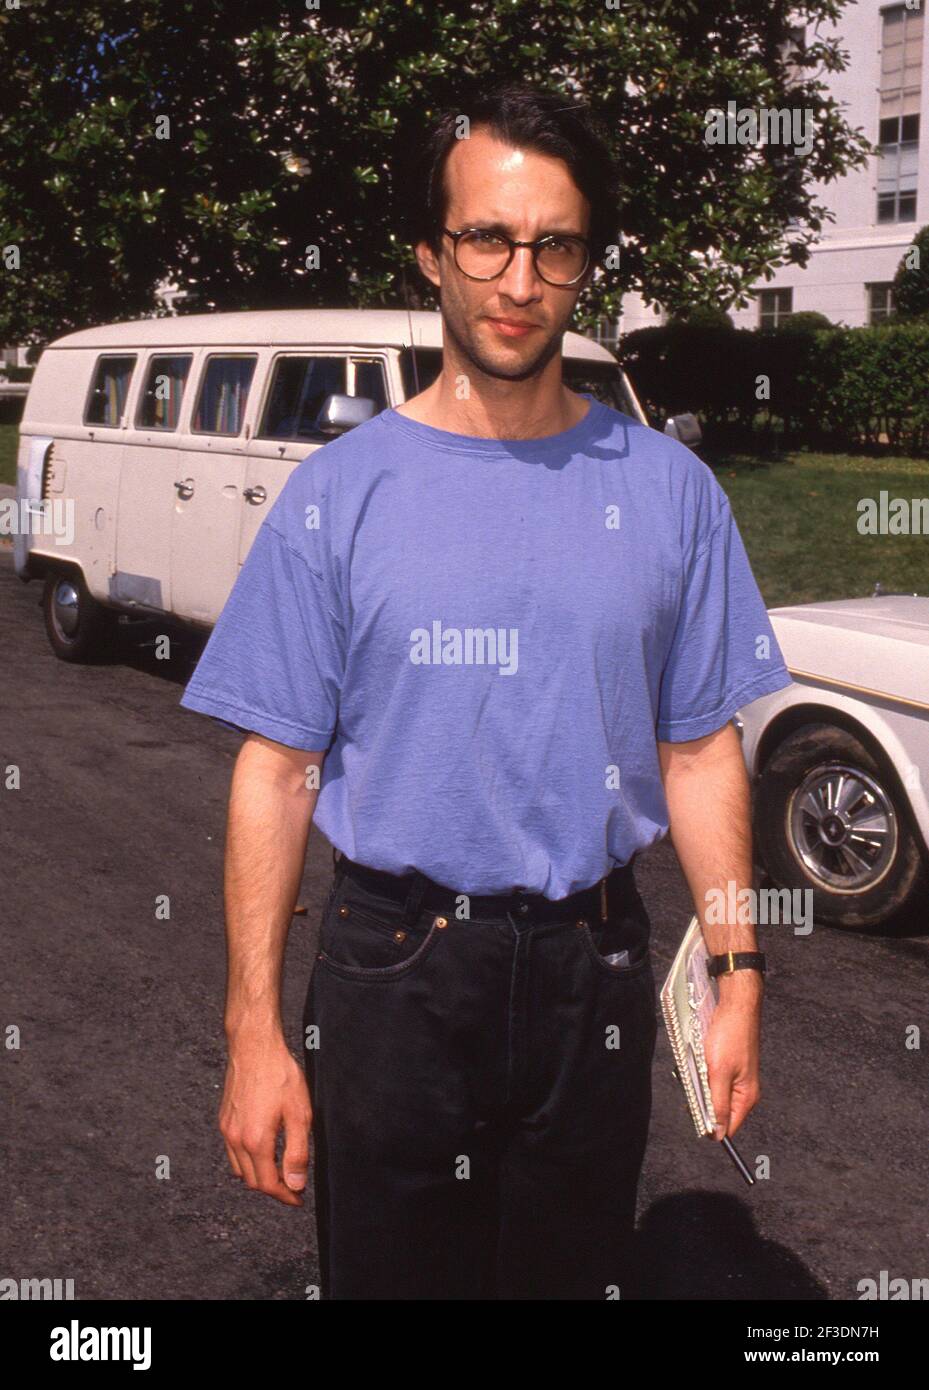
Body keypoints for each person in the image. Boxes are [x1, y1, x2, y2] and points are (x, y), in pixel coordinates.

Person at [180, 81, 792, 1300]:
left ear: (586, 263)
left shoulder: (672, 495)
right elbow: (275, 771)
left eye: (553, 246)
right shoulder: (336, 498)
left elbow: (701, 753)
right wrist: (252, 1031)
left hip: (596, 970)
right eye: (486, 239)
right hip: (392, 971)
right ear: (431, 253)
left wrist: (738, 977)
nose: (519, 280)